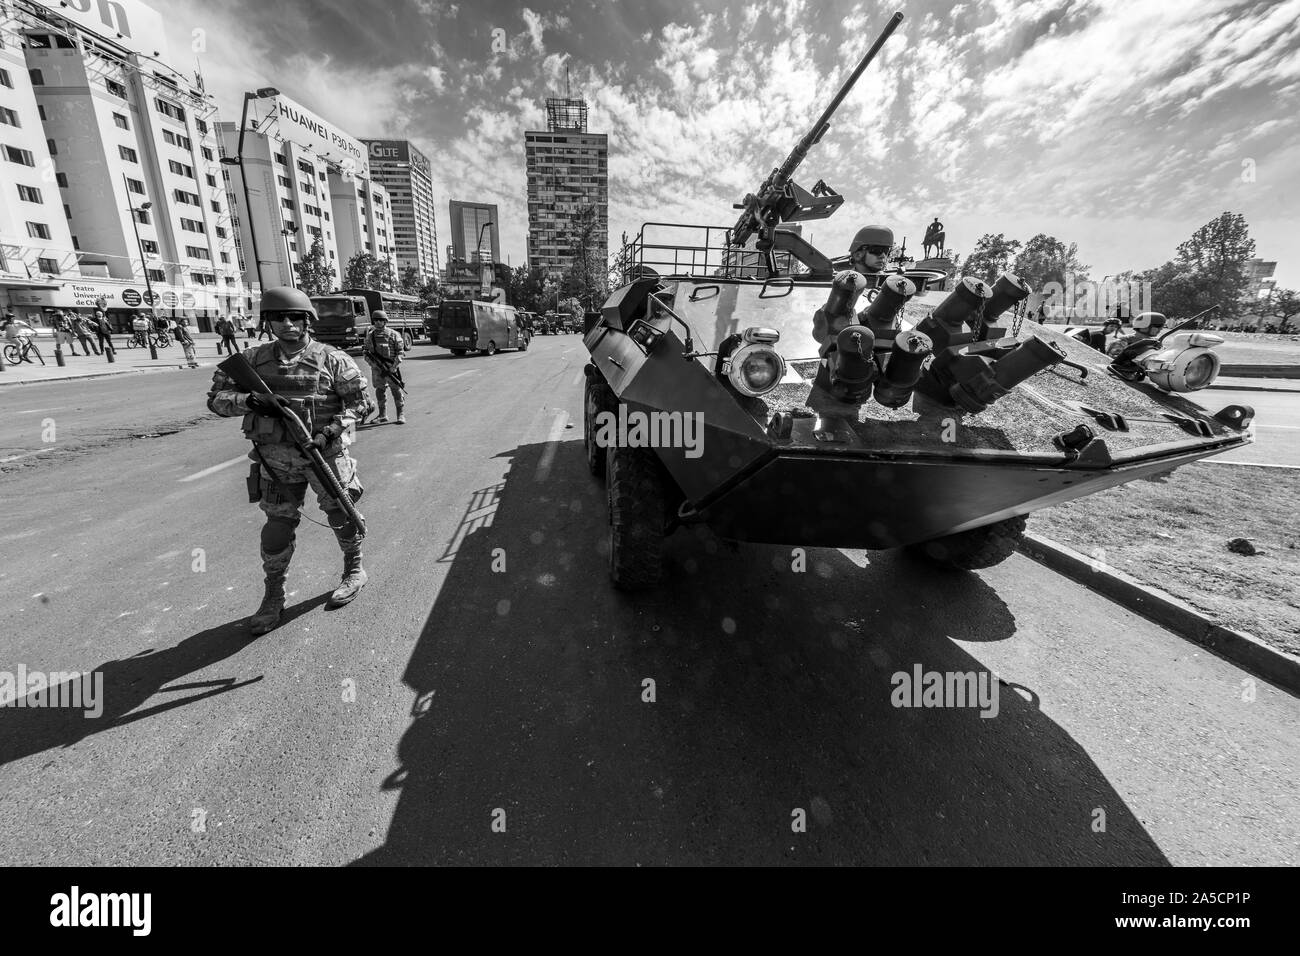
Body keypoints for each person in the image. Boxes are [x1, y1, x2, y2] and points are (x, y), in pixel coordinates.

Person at [206, 287, 374, 636]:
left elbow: (362, 403)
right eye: (278, 318)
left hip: (323, 457)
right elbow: (216, 401)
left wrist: (332, 429)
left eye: (294, 317)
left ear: (307, 320)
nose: (287, 324)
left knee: (342, 517)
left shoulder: (333, 359)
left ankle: (353, 570)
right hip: (275, 464)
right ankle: (274, 595)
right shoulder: (252, 360)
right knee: (276, 531)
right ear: (266, 322)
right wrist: (249, 401)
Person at [362, 310, 406, 424]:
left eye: (380, 320)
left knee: (396, 390)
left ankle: (400, 414)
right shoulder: (371, 336)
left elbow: (401, 353)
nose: (377, 322)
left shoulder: (393, 334)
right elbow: (366, 353)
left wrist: (394, 366)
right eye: (375, 320)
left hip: (391, 368)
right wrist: (373, 365)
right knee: (379, 390)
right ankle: (382, 415)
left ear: (385, 321)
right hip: (377, 369)